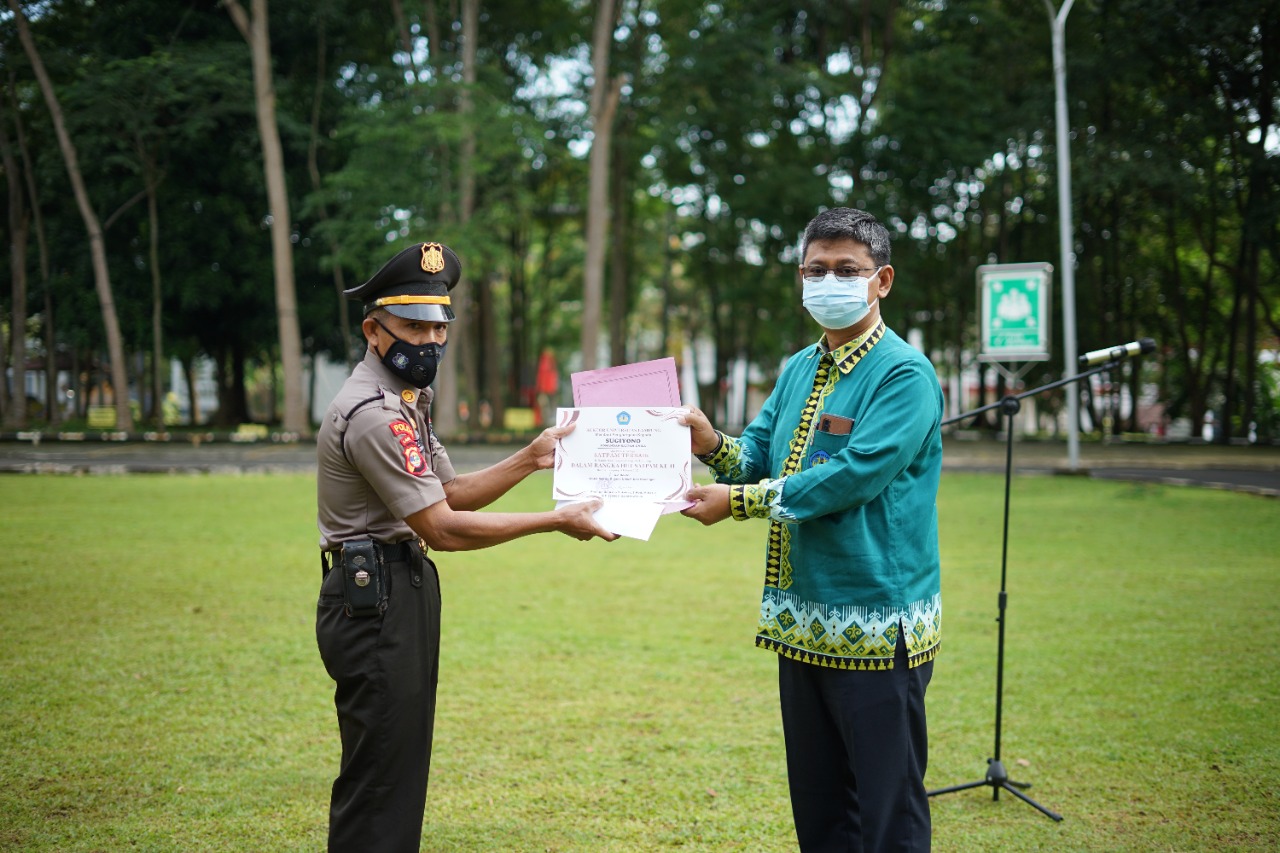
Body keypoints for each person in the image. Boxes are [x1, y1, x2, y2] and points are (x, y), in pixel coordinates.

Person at [315, 240, 617, 853]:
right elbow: (443, 528)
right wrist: (555, 521)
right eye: (412, 326)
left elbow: (449, 492)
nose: (428, 340)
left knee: (397, 773)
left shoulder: (407, 400)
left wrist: (531, 458)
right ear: (374, 330)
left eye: (438, 327)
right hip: (374, 603)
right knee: (378, 783)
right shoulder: (377, 414)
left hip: (398, 594)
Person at [680, 207, 943, 852]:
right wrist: (708, 439)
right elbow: (760, 456)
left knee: (889, 810)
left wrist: (737, 503)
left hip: (878, 620)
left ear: (881, 280)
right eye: (816, 269)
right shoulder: (801, 367)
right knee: (822, 806)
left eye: (846, 270)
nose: (829, 281)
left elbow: (853, 477)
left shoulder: (904, 374)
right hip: (803, 622)